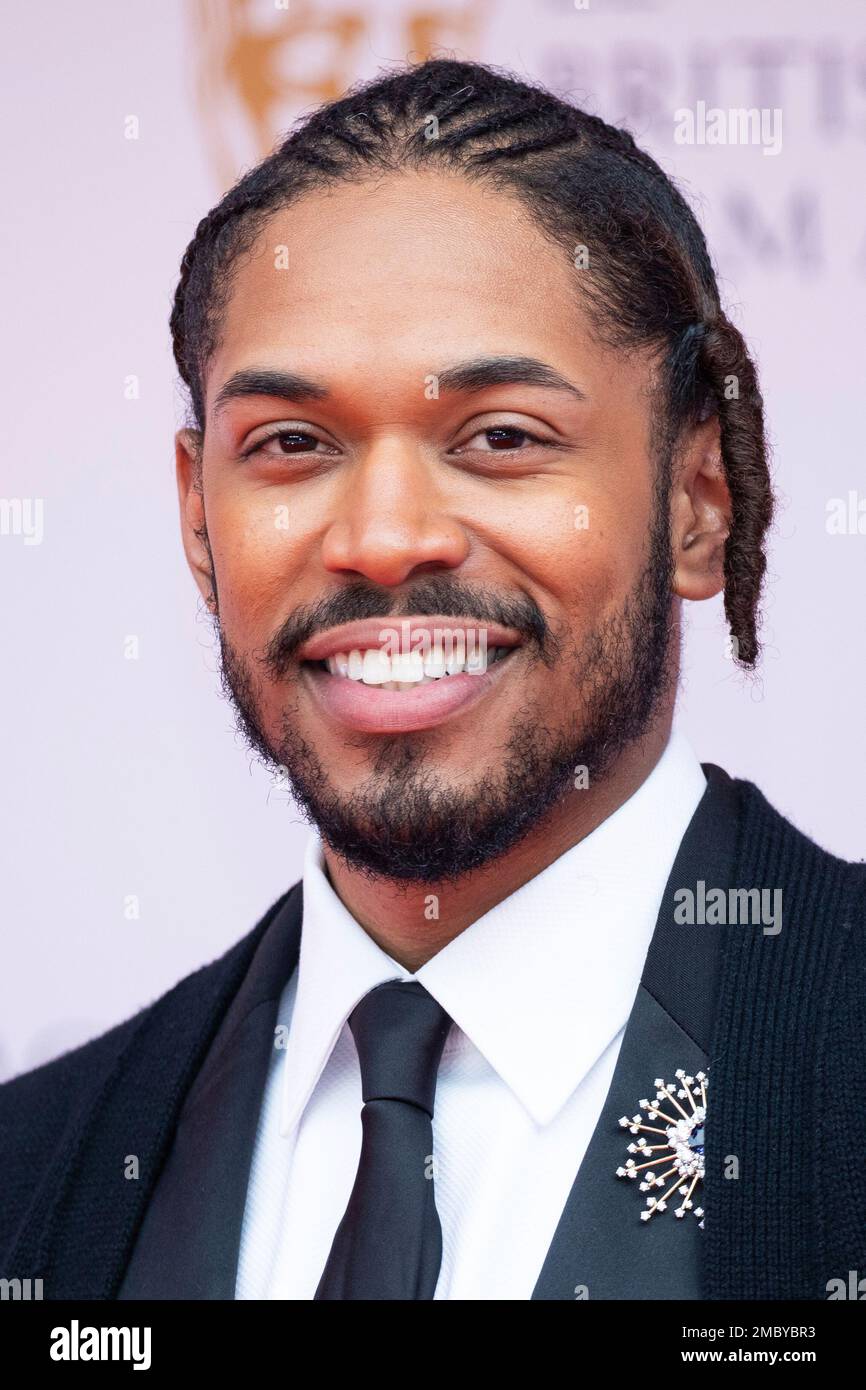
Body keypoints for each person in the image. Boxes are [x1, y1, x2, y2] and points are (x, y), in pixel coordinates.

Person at [2, 57, 863, 1302]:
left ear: (695, 502)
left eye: (499, 438)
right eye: (292, 444)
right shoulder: (33, 1174)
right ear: (197, 519)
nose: (383, 536)